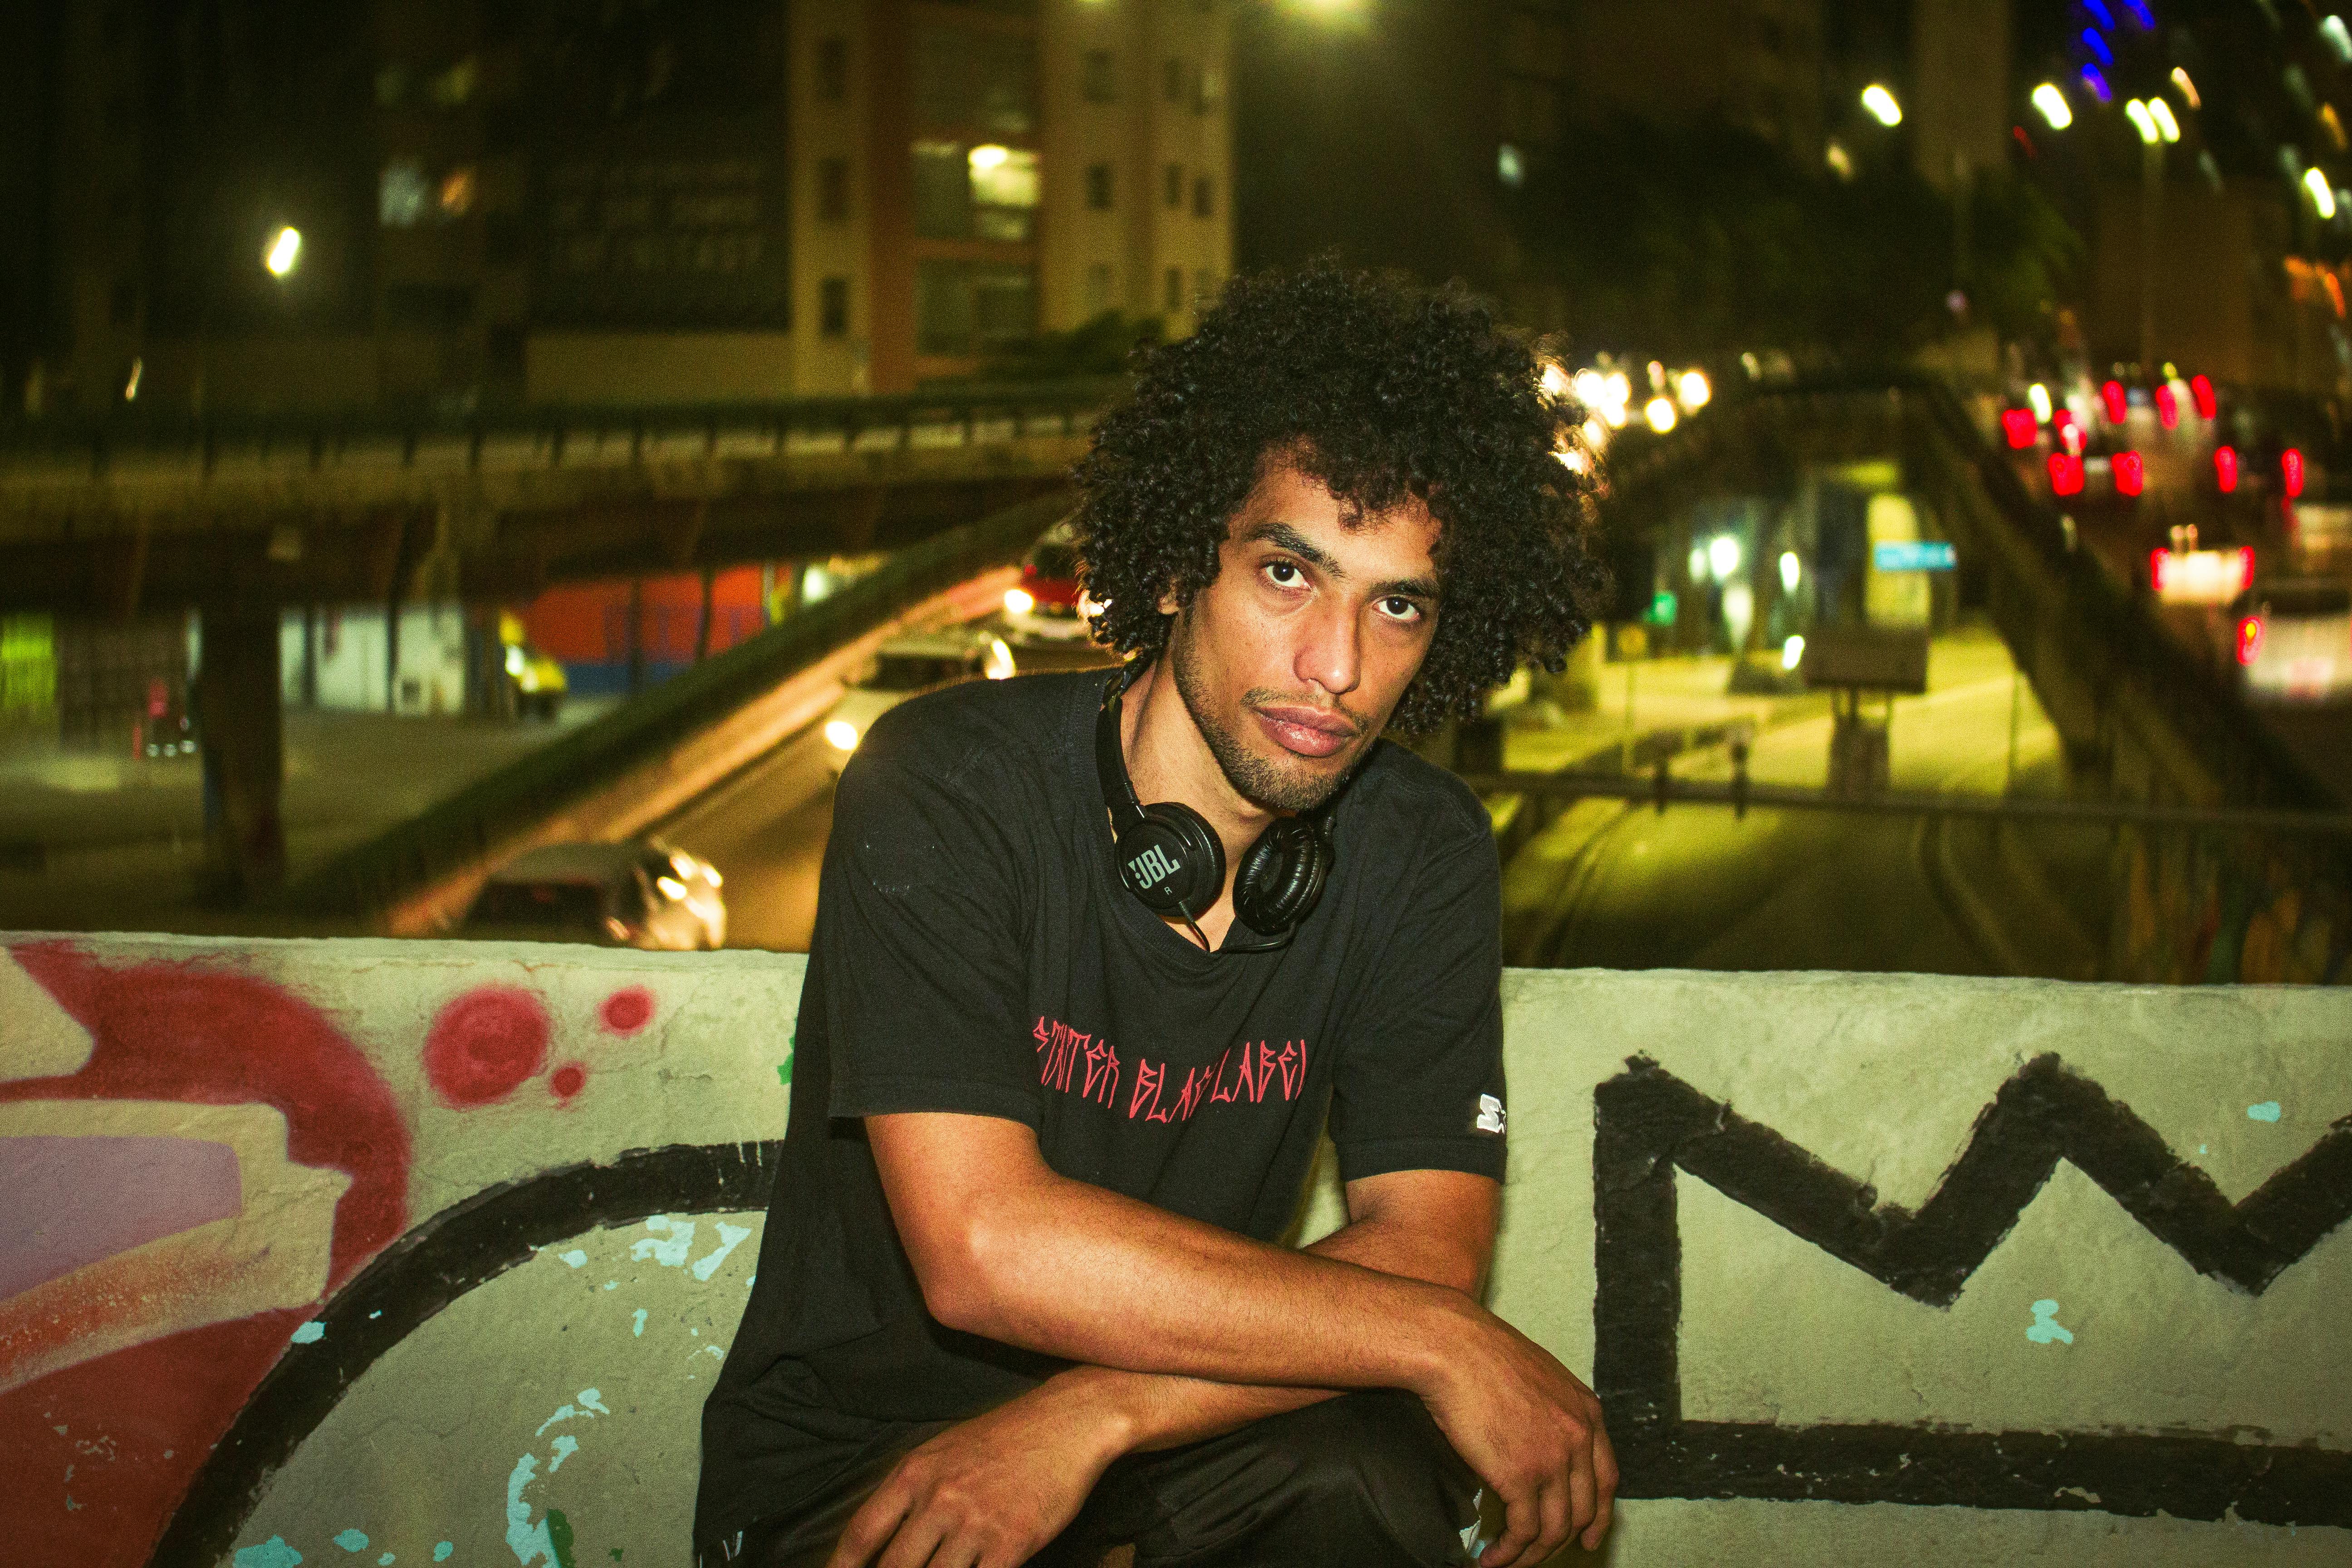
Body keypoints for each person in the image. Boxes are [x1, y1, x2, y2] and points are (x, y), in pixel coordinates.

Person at [697, 263, 1615, 1568]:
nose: (1338, 667)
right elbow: (982, 1245)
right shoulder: (946, 784)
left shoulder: (1423, 850)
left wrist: (1098, 1416)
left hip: (1172, 1440)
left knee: (1361, 1477)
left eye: (1398, 602)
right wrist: (1442, 1339)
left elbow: (1426, 1247)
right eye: (1288, 574)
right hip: (865, 1471)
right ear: (1184, 562)